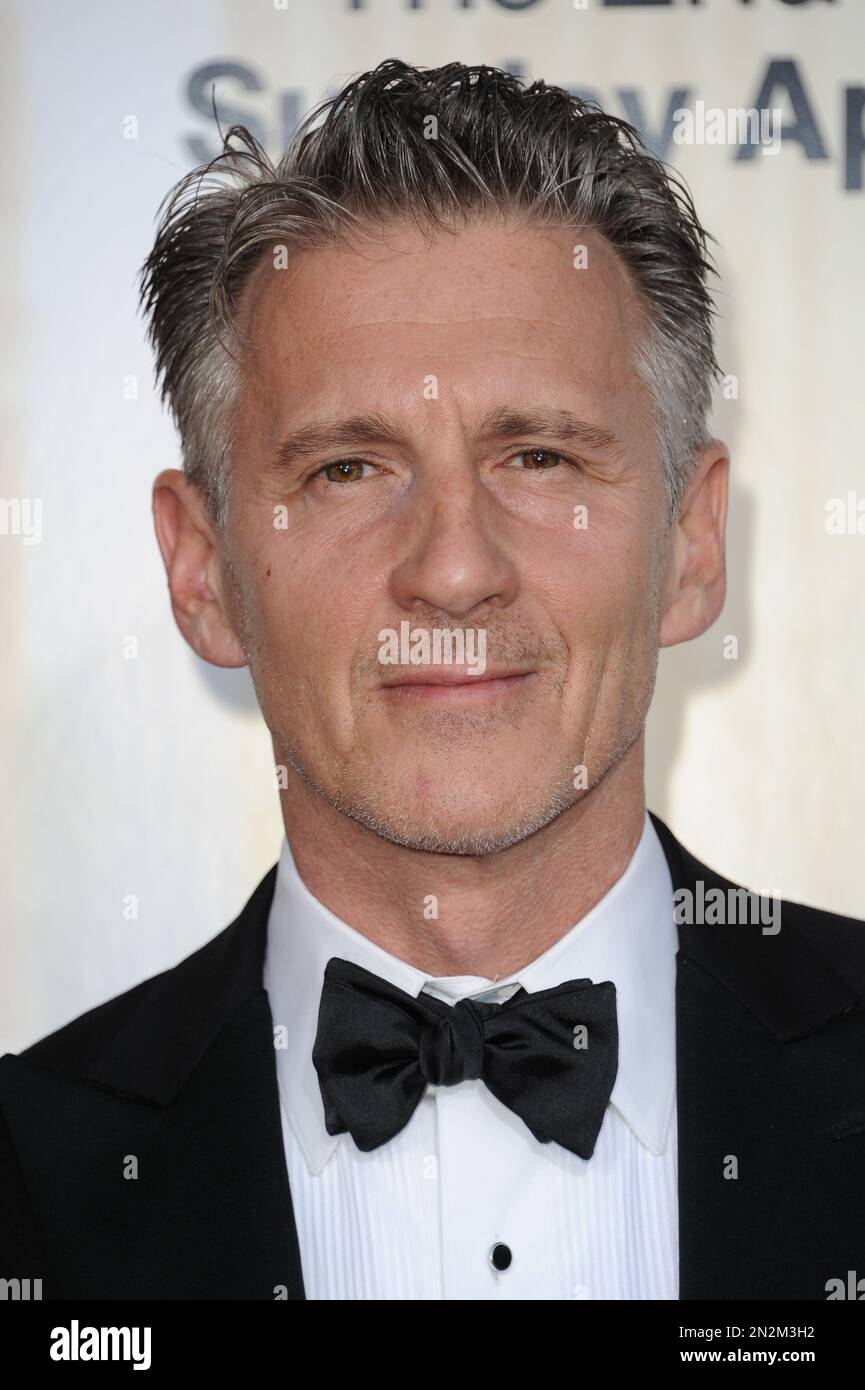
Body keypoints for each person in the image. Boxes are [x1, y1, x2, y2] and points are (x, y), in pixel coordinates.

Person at [2, 59, 863, 1302]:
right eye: (349, 469)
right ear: (203, 571)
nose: (453, 570)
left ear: (690, 544)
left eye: (539, 454)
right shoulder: (27, 1181)